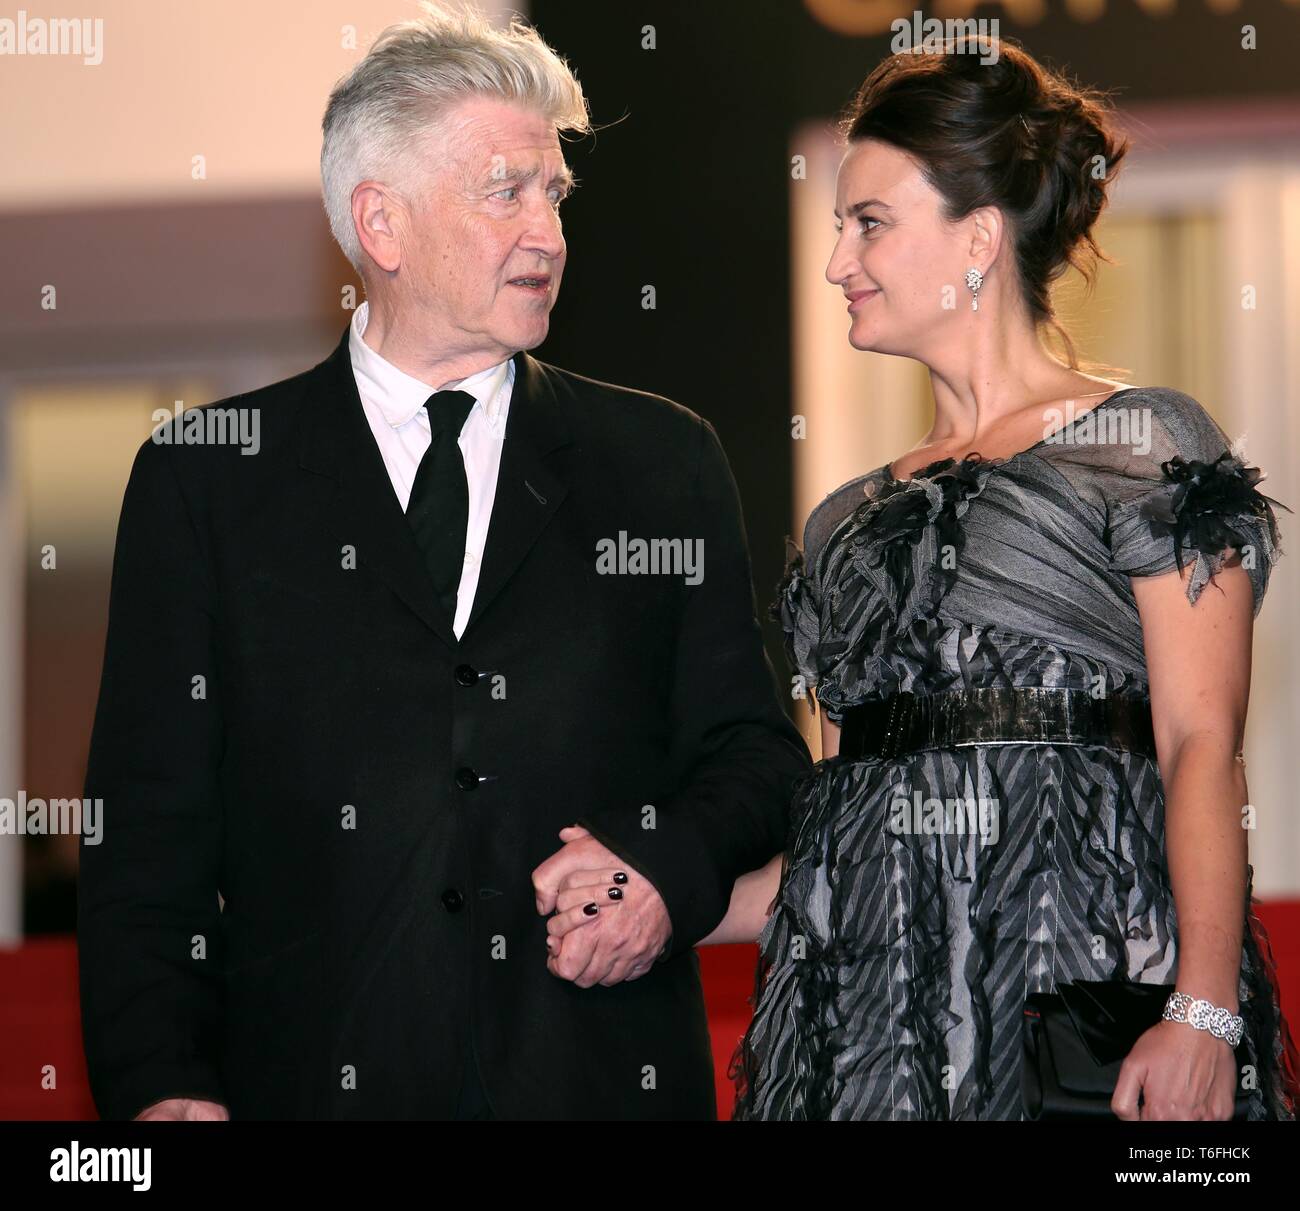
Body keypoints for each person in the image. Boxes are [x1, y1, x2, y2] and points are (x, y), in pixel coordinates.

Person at [76, 1, 809, 1122]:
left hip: (597, 1080)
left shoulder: (659, 459)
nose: (550, 235)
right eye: (505, 191)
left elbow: (753, 759)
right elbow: (146, 836)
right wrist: (161, 1081)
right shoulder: (208, 480)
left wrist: (664, 860)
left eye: (555, 195)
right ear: (383, 221)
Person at [721, 37, 1298, 1120]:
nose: (838, 260)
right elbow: (846, 808)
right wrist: (667, 892)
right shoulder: (846, 519)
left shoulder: (1140, 444)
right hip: (868, 1023)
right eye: (841, 224)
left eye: (869, 223)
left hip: (1093, 995)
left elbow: (1199, 743)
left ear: (979, 238)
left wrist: (1204, 1009)